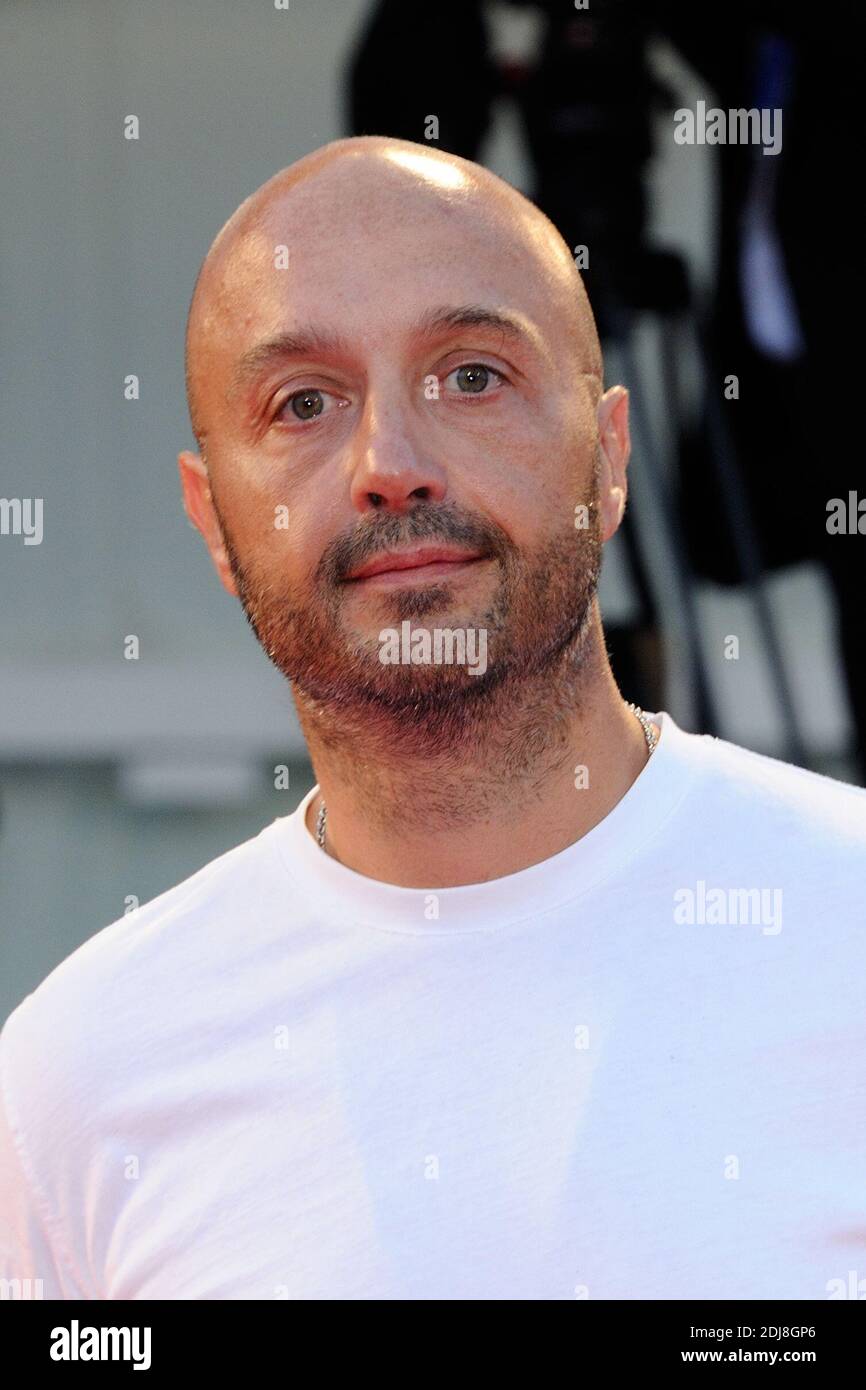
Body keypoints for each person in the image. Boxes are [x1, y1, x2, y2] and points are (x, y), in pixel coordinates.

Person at [1, 137, 863, 1301]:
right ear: (212, 522)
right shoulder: (77, 1078)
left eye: (470, 376)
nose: (390, 466)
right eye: (303, 402)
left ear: (607, 459)